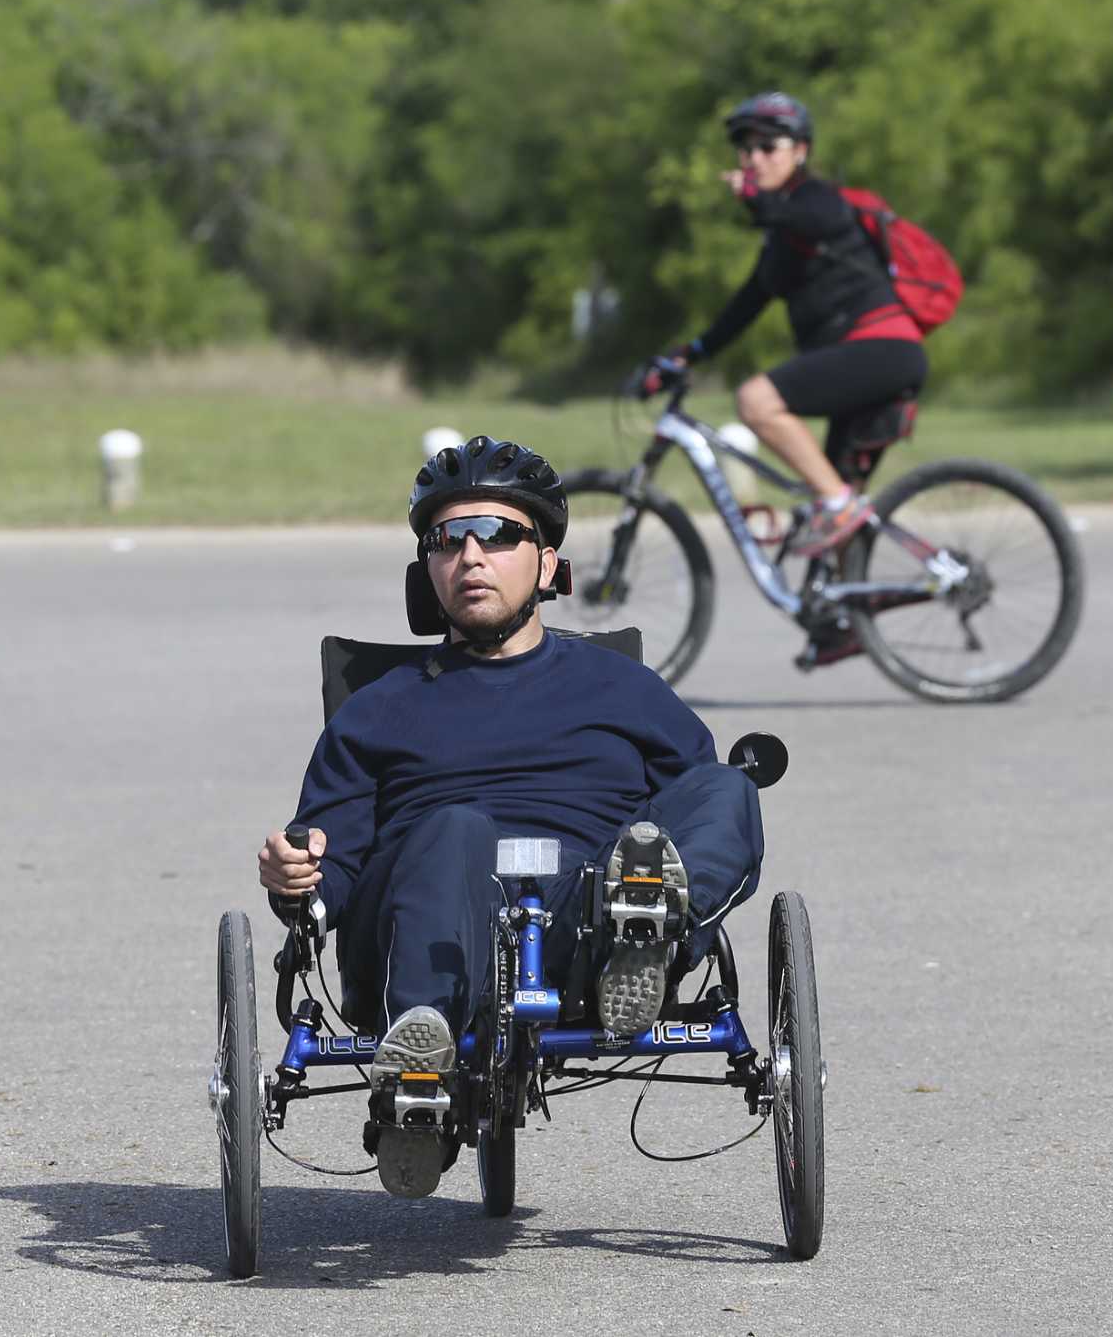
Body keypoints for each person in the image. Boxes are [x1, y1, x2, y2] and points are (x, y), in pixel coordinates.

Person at [255, 436, 763, 1198]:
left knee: (724, 785)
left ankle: (649, 930)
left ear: (549, 564)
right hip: (428, 927)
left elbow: (700, 802)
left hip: (584, 923)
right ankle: (418, 1070)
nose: (470, 555)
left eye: (497, 533)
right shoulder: (377, 710)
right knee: (456, 827)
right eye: (446, 538)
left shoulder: (623, 687)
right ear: (426, 569)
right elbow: (334, 862)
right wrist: (298, 873)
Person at [648, 91, 930, 555]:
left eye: (768, 146)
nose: (754, 157)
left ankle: (838, 502)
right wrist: (689, 354)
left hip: (885, 350)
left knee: (756, 401)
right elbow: (748, 303)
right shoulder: (783, 238)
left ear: (800, 151)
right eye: (746, 148)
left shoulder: (820, 201)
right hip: (859, 358)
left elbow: (805, 218)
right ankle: (844, 621)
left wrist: (756, 199)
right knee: (836, 526)